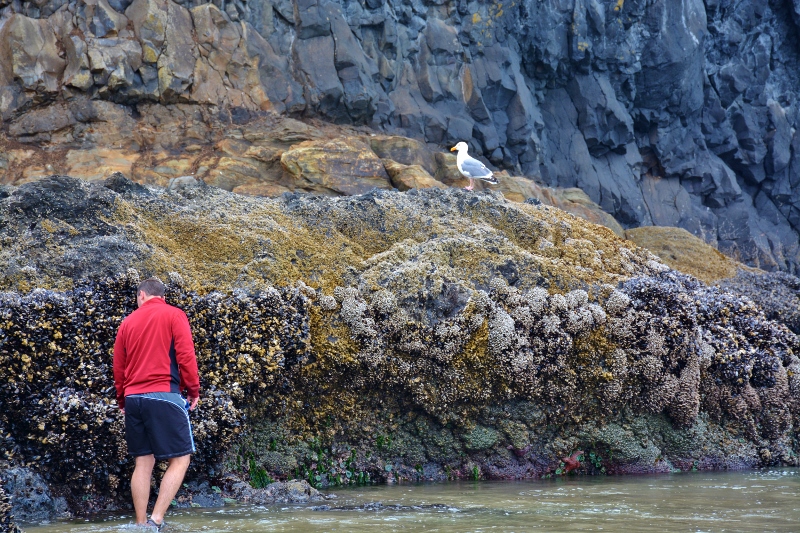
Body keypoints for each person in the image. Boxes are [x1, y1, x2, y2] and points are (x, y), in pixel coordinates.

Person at [113, 278, 201, 530]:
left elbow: (118, 366)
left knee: (143, 462)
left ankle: (140, 524)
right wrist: (193, 389)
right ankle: (156, 520)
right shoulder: (174, 315)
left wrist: (122, 399)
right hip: (163, 395)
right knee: (181, 459)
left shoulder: (127, 322)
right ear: (162, 296)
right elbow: (185, 355)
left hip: (133, 399)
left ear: (142, 295)